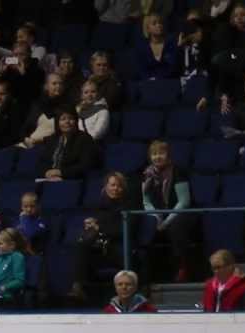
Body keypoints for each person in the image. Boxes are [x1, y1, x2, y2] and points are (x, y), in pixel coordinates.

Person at [71, 172, 139, 304]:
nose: (115, 188)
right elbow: (99, 224)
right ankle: (78, 288)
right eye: (113, 185)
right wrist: (91, 224)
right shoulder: (100, 204)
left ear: (123, 188)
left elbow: (124, 230)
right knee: (81, 246)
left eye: (119, 186)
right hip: (102, 245)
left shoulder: (129, 205)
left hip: (120, 246)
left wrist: (99, 228)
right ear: (106, 187)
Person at [142, 140, 197, 282]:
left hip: (181, 212)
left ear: (169, 155)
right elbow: (146, 202)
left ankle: (182, 268)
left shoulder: (178, 171)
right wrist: (156, 217)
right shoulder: (147, 174)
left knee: (176, 226)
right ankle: (146, 273)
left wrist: (166, 222)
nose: (157, 157)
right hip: (158, 213)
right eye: (154, 154)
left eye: (161, 153)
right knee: (146, 224)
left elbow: (184, 202)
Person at [36, 108, 100, 181]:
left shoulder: (85, 138)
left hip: (73, 180)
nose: (67, 122)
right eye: (63, 119)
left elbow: (85, 165)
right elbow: (41, 163)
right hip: (49, 179)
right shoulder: (52, 139)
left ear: (76, 121)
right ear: (57, 122)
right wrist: (46, 173)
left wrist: (61, 173)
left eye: (71, 118)